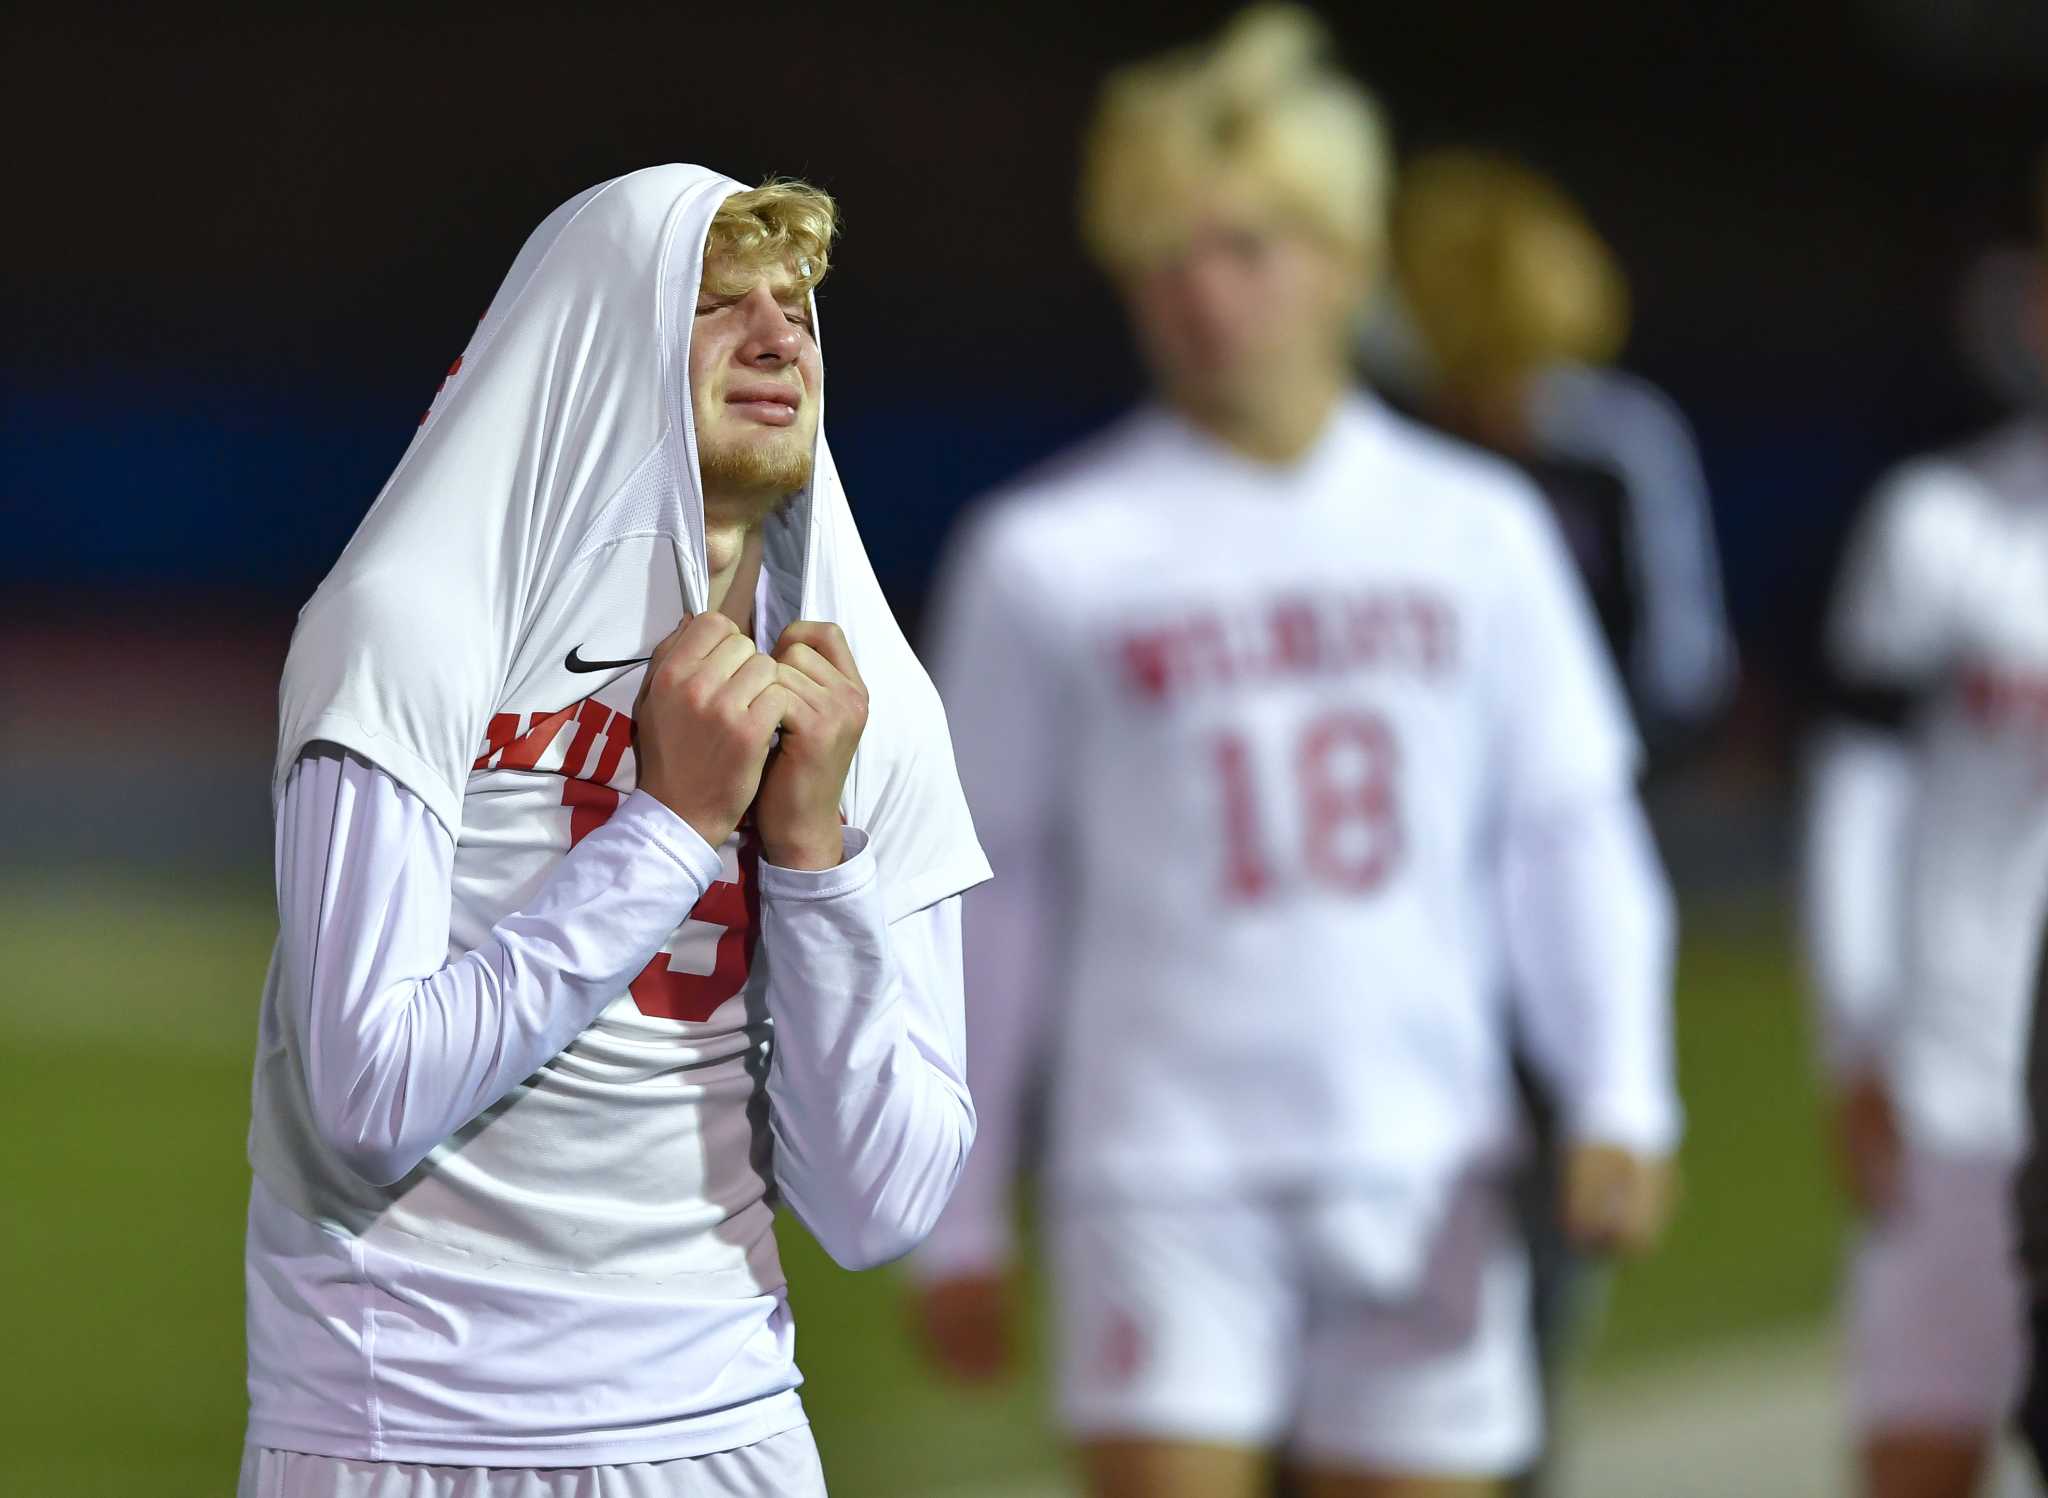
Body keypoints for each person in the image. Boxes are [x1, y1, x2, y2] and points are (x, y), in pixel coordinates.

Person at [905, 10, 1680, 1497]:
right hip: (1157, 1170)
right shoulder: (1043, 553)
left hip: (1425, 1156)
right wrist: (963, 1209)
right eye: (1161, 255)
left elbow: (1567, 831)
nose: (1201, 291)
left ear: (1346, 258)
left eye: (1246, 245)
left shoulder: (1481, 531)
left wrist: (1621, 1090)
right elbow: (988, 893)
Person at [240, 166, 989, 1498]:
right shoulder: (406, 620)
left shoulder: (870, 699)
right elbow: (364, 1095)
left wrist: (815, 857)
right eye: (715, 304)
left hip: (725, 1431)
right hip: (402, 1431)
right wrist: (673, 826)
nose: (778, 337)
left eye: (799, 311)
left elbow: (881, 1205)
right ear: (594, 343)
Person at [1383, 149, 1740, 1496]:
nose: (1506, 399)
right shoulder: (1388, 444)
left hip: (1560, 872)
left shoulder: (1613, 447)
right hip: (1400, 897)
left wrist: (1559, 792)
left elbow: (1681, 667)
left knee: (1556, 1212)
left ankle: (1514, 1439)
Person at [1803, 173, 2048, 1498]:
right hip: (1961, 1073)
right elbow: (1859, 795)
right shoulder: (1936, 526)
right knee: (1920, 1438)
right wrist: (1856, 1031)